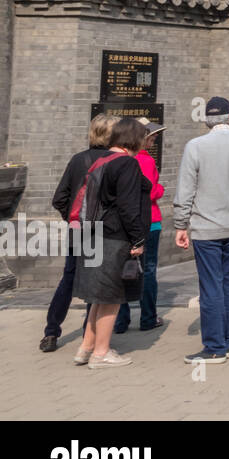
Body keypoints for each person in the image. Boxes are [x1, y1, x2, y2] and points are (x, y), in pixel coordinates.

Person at [173, 97, 229, 365]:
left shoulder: (195, 146)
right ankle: (226, 340)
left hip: (205, 228)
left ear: (207, 120)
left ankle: (214, 347)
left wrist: (181, 224)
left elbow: (186, 189)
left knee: (210, 286)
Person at [71, 117, 152, 369]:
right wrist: (138, 238)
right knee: (112, 297)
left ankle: (86, 347)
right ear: (134, 138)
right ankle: (101, 353)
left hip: (93, 234)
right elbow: (128, 206)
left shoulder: (101, 160)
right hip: (114, 237)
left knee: (99, 296)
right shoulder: (127, 163)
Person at [39, 114, 113, 353]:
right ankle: (88, 337)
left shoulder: (78, 159)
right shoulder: (116, 161)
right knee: (96, 283)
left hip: (78, 229)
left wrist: (73, 219)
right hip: (102, 231)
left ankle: (51, 332)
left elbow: (59, 198)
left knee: (69, 279)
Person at [114, 120, 166, 334]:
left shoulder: (120, 160)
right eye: (151, 137)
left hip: (124, 223)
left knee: (122, 271)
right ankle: (148, 318)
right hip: (149, 221)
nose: (153, 141)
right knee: (148, 270)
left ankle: (120, 321)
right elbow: (150, 191)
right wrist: (161, 189)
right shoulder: (145, 160)